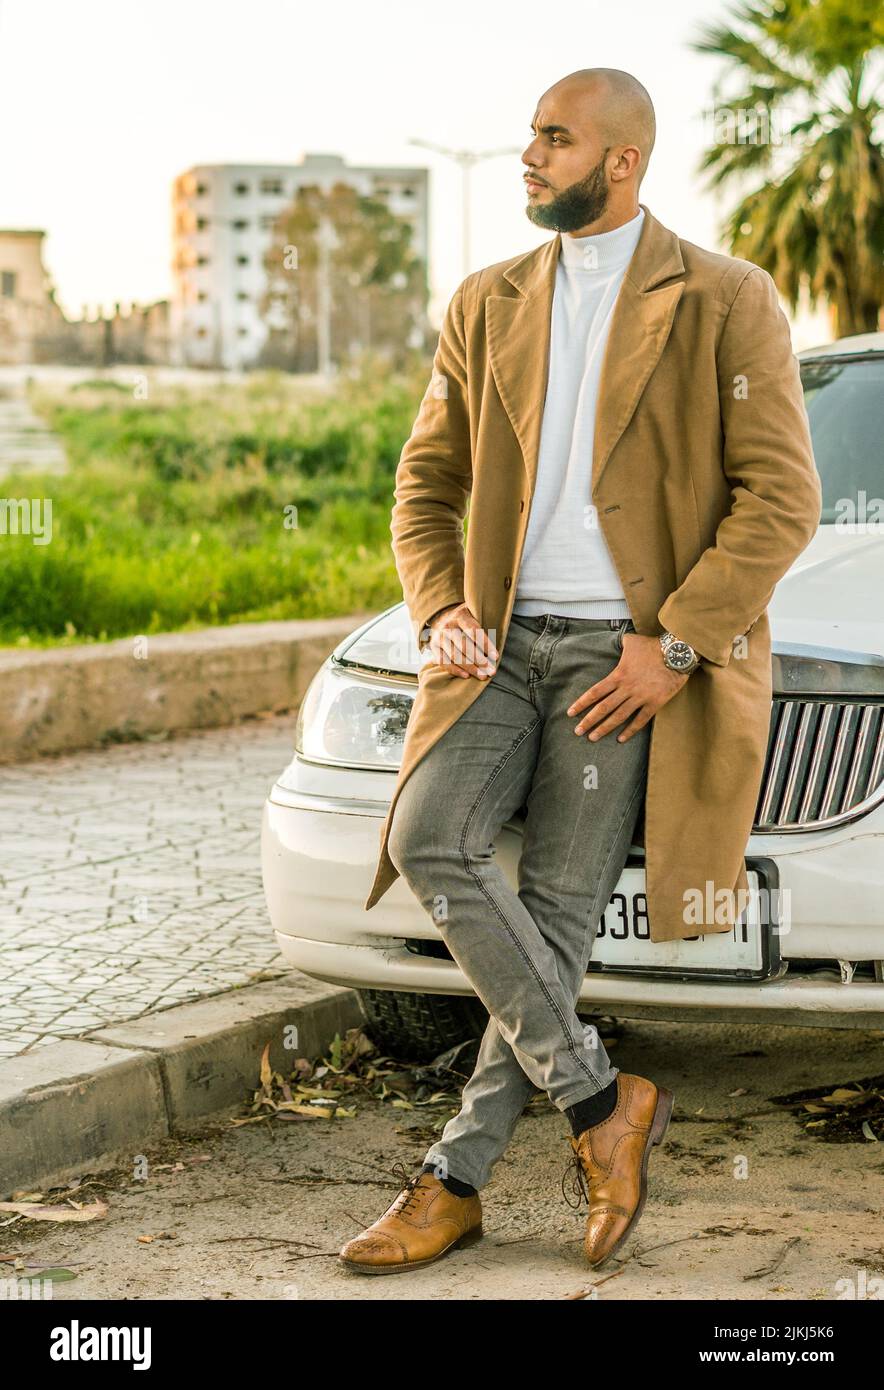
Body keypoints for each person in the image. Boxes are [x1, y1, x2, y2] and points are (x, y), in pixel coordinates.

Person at [340, 67, 822, 1276]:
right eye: (529, 136)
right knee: (429, 836)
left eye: (552, 138)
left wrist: (674, 644)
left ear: (621, 159)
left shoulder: (724, 298)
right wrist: (439, 605)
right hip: (497, 649)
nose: (528, 155)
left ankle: (451, 1183)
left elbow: (780, 500)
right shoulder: (485, 300)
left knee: (555, 916)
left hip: (624, 661)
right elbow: (424, 482)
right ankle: (604, 1103)